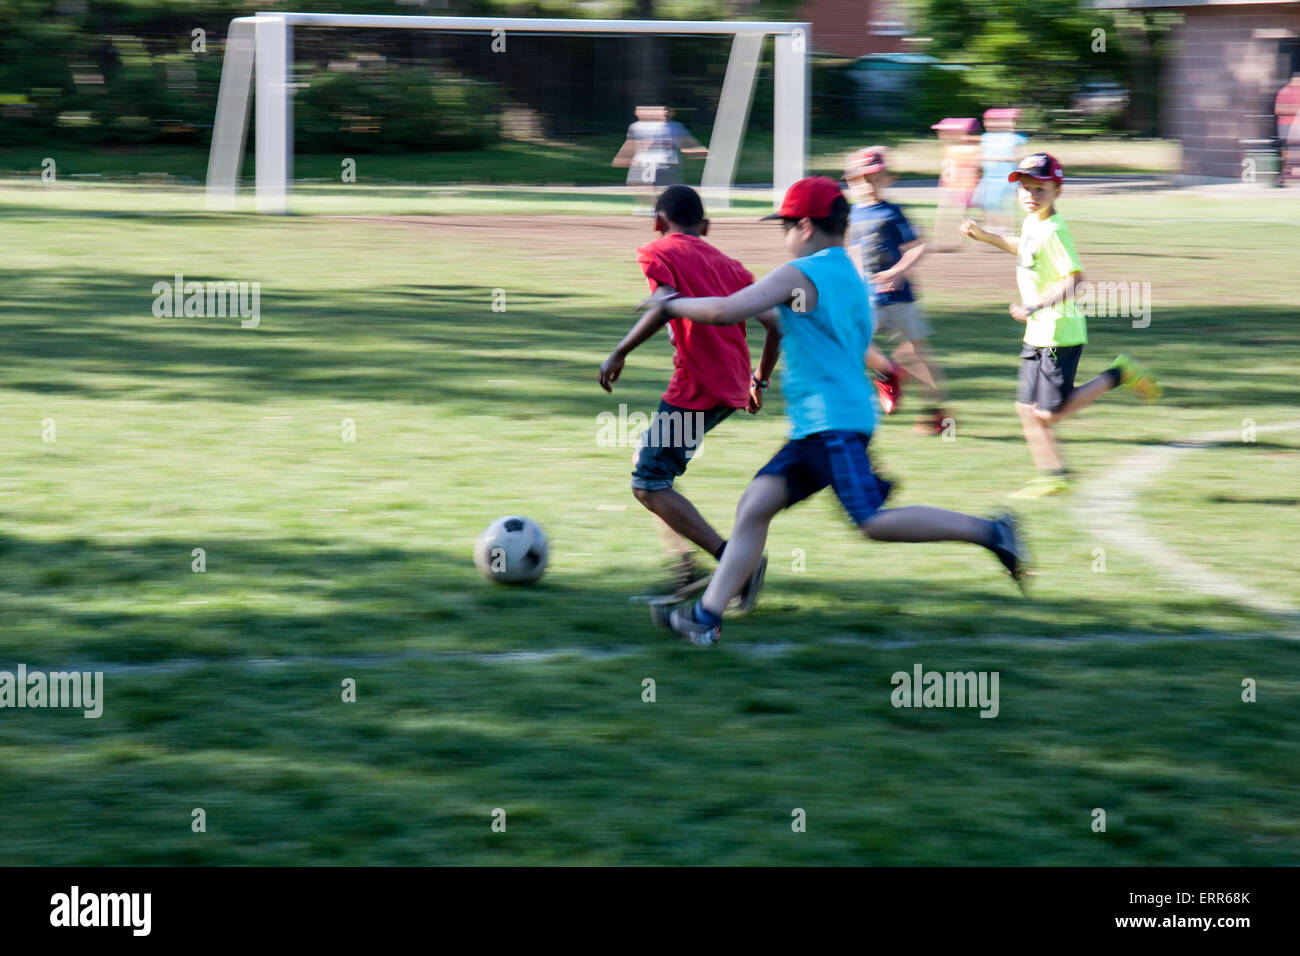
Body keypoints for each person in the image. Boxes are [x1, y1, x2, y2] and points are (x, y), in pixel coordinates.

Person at [633, 176, 1027, 646]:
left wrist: (671, 303)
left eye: (785, 226)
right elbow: (808, 328)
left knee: (873, 522)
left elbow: (726, 312)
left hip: (832, 426)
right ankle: (706, 616)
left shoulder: (798, 274)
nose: (783, 236)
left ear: (803, 225)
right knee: (754, 505)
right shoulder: (849, 277)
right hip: (823, 426)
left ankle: (991, 531)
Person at [599, 185, 780, 605]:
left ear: (659, 223)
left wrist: (619, 352)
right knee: (649, 465)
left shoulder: (658, 251)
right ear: (707, 225)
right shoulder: (730, 266)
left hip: (696, 390)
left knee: (647, 484)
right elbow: (775, 323)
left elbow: (664, 304)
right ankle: (684, 567)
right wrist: (760, 380)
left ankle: (736, 565)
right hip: (730, 386)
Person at [959, 153, 1162, 498]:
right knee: (1025, 409)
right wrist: (984, 236)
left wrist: (1036, 304)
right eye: (1025, 188)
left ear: (1057, 191)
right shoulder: (1032, 223)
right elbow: (1022, 248)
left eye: (1040, 189)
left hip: (1059, 333)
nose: (1030, 195)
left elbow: (1076, 279)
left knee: (1049, 414)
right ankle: (1052, 476)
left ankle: (1120, 373)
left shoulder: (1055, 229)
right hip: (1036, 332)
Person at [845, 146, 950, 435]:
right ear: (852, 181)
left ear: (887, 179)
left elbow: (919, 246)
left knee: (915, 355)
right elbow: (854, 253)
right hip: (868, 297)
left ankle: (937, 414)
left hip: (899, 298)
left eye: (874, 178)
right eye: (862, 178)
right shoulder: (852, 214)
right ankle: (887, 373)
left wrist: (896, 271)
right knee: (853, 340)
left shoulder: (893, 212)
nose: (868, 184)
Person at [611, 106, 708, 214]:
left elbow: (686, 141)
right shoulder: (637, 126)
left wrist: (698, 150)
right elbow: (632, 143)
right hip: (645, 162)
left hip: (665, 161)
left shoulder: (674, 126)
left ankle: (661, 209)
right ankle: (654, 207)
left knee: (661, 187)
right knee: (636, 184)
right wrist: (624, 156)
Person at [970, 108, 1028, 230]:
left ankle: (1006, 230)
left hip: (1005, 177)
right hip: (988, 177)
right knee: (981, 202)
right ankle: (993, 227)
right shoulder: (986, 137)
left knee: (999, 204)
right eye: (988, 121)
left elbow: (1022, 155)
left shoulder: (1014, 137)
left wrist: (1011, 158)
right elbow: (980, 154)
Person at [931, 117, 981, 250]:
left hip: (960, 188)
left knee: (952, 215)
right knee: (961, 216)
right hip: (961, 188)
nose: (942, 135)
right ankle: (956, 240)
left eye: (947, 132)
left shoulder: (952, 148)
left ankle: (949, 241)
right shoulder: (970, 149)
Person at [1274, 75, 1300, 186]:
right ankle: (1285, 177)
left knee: (1286, 154)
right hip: (1294, 126)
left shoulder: (1282, 91)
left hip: (1284, 126)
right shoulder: (1285, 91)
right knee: (1293, 153)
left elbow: (1277, 110)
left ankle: (1284, 178)